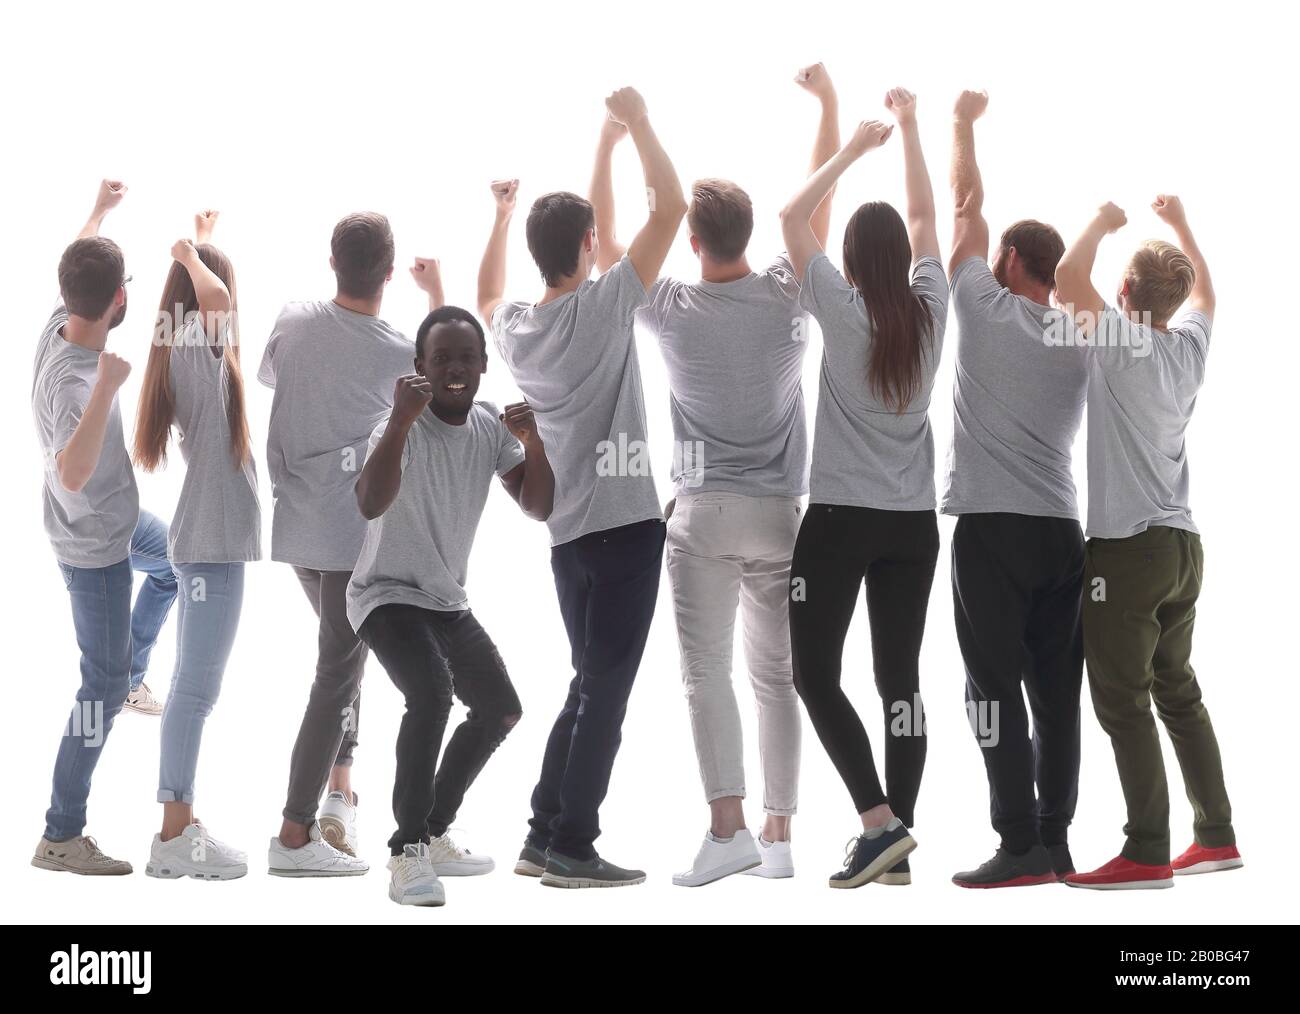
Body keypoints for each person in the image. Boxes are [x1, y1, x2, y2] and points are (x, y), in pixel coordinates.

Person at [591, 64, 840, 886]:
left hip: (701, 519)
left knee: (708, 676)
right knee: (777, 678)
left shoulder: (666, 307)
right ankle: (777, 836)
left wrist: (618, 136)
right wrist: (831, 107)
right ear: (744, 235)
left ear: (692, 243)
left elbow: (608, 241)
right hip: (781, 516)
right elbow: (816, 210)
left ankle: (726, 827)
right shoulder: (785, 292)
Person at [479, 85, 687, 888]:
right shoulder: (606, 305)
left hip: (567, 538)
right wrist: (638, 121)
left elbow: (487, 289)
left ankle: (542, 831)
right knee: (606, 692)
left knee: (587, 682)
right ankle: (573, 843)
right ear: (593, 245)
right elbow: (669, 205)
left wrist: (503, 214)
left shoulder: (521, 329)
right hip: (629, 530)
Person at [780, 89, 948, 889]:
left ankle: (879, 825)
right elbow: (925, 219)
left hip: (842, 522)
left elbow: (789, 218)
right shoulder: (930, 311)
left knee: (814, 674)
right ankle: (900, 838)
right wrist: (913, 127)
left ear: (848, 261)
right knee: (900, 682)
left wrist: (853, 149)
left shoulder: (842, 310)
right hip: (913, 526)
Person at [1055, 196, 1241, 890]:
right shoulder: (1187, 347)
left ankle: (1147, 848)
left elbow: (1071, 278)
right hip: (1183, 548)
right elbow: (1210, 294)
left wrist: (1105, 222)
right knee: (1177, 690)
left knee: (1121, 696)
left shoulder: (1124, 343)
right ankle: (1216, 836)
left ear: (1126, 293)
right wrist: (1184, 227)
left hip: (1129, 552)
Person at [349, 305, 555, 906]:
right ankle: (406, 851)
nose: (455, 369)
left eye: (466, 358)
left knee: (501, 710)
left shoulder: (490, 428)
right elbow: (367, 502)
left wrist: (533, 440)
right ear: (420, 369)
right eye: (441, 359)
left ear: (484, 366)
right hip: (385, 594)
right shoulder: (401, 424)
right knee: (433, 695)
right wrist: (398, 423)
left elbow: (538, 507)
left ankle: (434, 831)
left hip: (445, 601)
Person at [261, 213, 442, 876]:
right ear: (388, 274)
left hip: (295, 531)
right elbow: (444, 370)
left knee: (346, 657)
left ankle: (340, 792)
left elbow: (285, 382)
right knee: (337, 672)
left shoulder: (292, 319)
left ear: (332, 260)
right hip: (349, 536)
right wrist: (434, 291)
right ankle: (293, 834)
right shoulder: (397, 350)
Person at [942, 91, 1088, 889]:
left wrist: (963, 124)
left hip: (993, 532)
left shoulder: (981, 305)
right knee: (1057, 693)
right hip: (1063, 532)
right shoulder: (1080, 335)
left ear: (1006, 263)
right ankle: (1057, 840)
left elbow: (965, 205)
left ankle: (1019, 841)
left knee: (991, 689)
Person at [31, 180, 178, 875]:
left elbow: (77, 263)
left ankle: (130, 673)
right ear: (121, 300)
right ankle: (61, 833)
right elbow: (71, 473)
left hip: (120, 524)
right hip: (92, 549)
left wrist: (98, 210)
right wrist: (112, 388)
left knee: (178, 560)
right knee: (97, 687)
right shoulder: (77, 382)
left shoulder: (59, 321)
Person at [132, 211, 259, 880]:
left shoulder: (186, 345)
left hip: (211, 538)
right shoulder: (194, 338)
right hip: (209, 542)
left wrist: (200, 246)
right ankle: (174, 832)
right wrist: (188, 248)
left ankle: (177, 827)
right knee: (195, 690)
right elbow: (219, 299)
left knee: (194, 687)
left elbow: (214, 298)